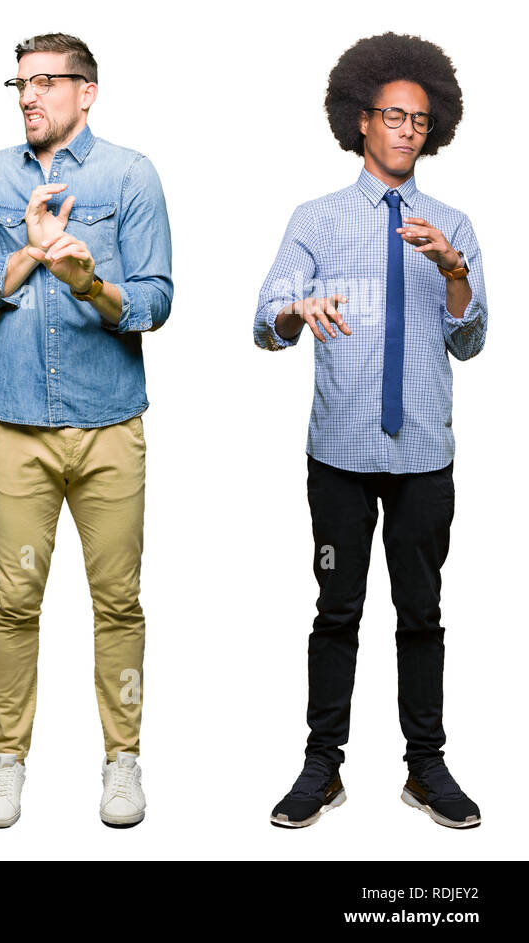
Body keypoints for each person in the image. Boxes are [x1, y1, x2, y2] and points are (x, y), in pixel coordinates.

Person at [0, 33, 172, 829]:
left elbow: (156, 300)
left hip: (110, 428)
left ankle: (123, 757)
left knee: (119, 600)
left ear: (88, 91)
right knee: (14, 600)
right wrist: (27, 260)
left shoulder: (129, 176)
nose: (29, 96)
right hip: (18, 433)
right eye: (20, 83)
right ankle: (8, 758)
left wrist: (87, 281)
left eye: (45, 82)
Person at [255, 32, 485, 830]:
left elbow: (471, 338)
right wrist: (296, 307)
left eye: (420, 121)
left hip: (424, 455)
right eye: (393, 116)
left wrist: (452, 269)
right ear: (361, 120)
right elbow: (265, 316)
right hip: (340, 459)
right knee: (337, 612)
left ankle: (427, 767)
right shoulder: (316, 221)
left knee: (422, 612)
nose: (406, 132)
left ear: (434, 129)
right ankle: (323, 767)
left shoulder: (451, 225)